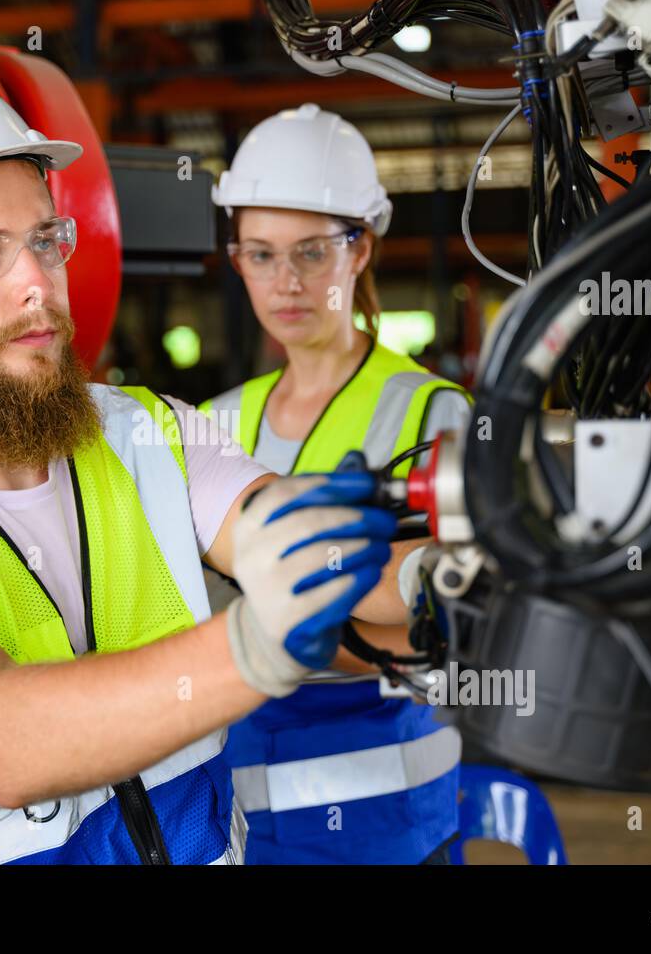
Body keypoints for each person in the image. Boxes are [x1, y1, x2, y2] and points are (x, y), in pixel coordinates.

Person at [0, 64, 423, 865]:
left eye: (45, 239)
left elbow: (336, 563)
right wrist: (258, 642)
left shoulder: (151, 436)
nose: (37, 280)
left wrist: (460, 569)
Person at [200, 103, 471, 865]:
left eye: (311, 252)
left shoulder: (429, 413)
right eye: (260, 253)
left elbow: (447, 632)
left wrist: (254, 632)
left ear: (361, 249)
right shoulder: (215, 426)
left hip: (387, 817)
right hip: (240, 815)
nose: (285, 281)